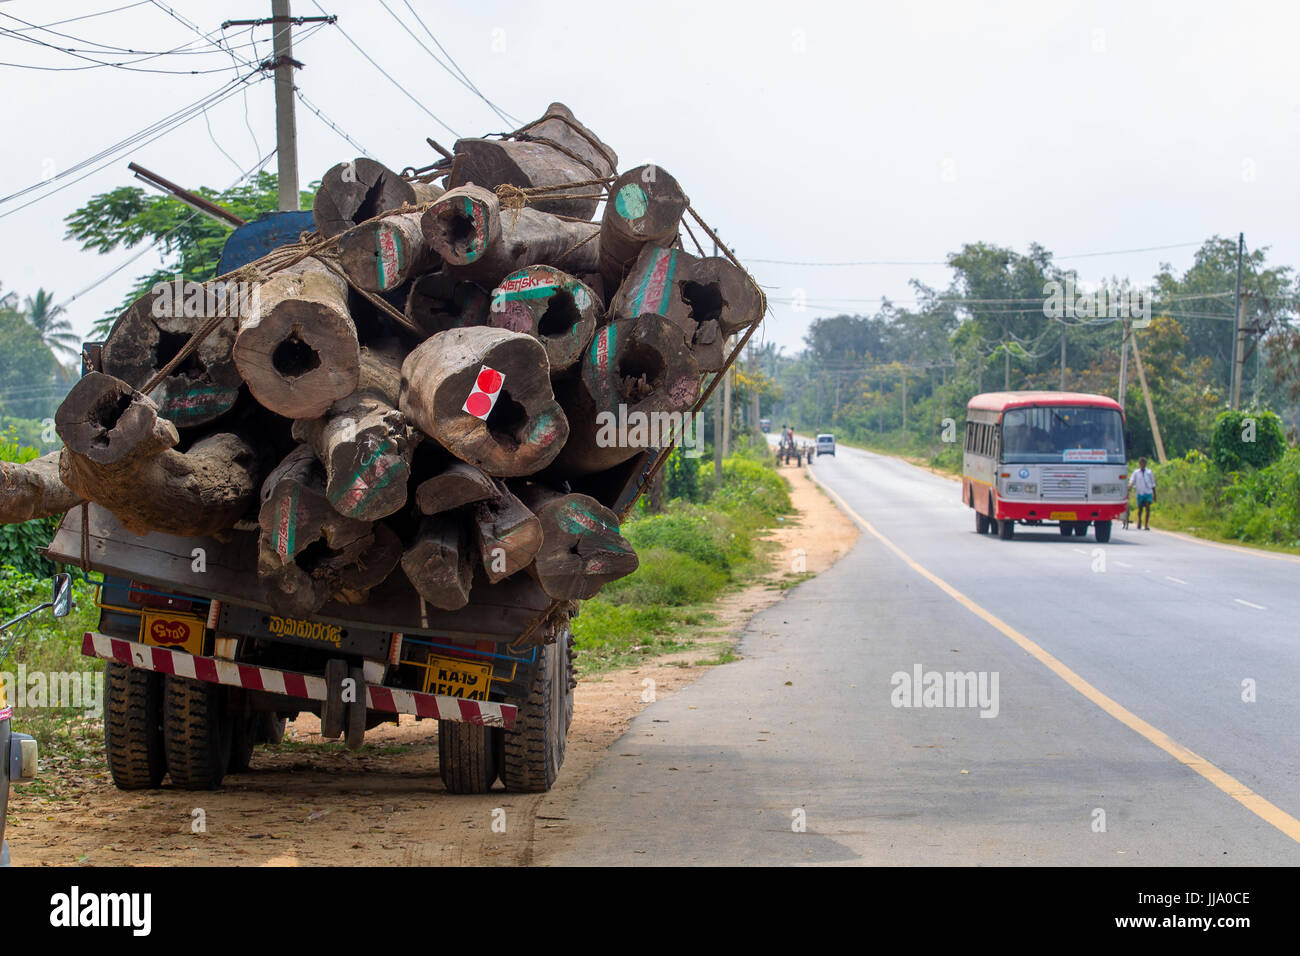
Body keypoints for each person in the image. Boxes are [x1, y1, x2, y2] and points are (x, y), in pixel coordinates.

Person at [1128, 456, 1156, 530]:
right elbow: (1132, 481)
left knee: (1147, 508)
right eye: (1141, 463)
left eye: (1144, 463)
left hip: (1148, 492)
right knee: (1140, 509)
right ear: (1139, 464)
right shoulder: (1136, 472)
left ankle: (1146, 524)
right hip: (1140, 493)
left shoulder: (1149, 472)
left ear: (1146, 464)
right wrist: (1129, 487)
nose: (1142, 464)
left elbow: (1153, 483)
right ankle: (1139, 520)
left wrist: (1154, 494)